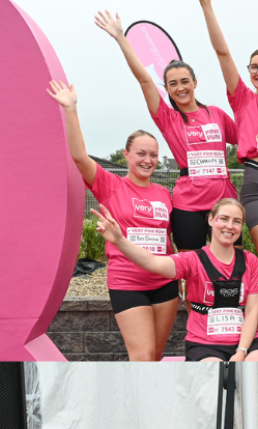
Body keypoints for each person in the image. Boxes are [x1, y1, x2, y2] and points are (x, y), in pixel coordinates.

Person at [48, 80, 177, 361]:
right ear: (126, 154)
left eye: (153, 155)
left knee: (155, 356)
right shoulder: (111, 185)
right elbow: (80, 157)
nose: (148, 160)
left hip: (165, 284)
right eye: (141, 153)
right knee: (141, 356)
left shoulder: (164, 193)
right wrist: (71, 110)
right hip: (128, 283)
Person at [95, 9, 236, 256]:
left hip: (224, 203)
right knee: (191, 269)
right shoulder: (168, 118)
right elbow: (144, 80)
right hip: (188, 205)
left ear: (195, 83)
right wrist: (120, 38)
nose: (180, 88)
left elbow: (246, 139)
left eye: (184, 81)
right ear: (167, 89)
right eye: (173, 84)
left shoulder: (217, 114)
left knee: (230, 268)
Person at [199, 0, 258, 359]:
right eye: (255, 67)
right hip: (256, 182)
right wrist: (207, 6)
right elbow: (222, 51)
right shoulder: (243, 99)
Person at [95, 200, 258, 362]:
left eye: (236, 221)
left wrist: (241, 352)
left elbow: (252, 312)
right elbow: (152, 262)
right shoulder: (192, 260)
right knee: (216, 375)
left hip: (245, 343)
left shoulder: (250, 261)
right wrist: (119, 241)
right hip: (206, 345)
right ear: (210, 220)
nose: (229, 226)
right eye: (224, 219)